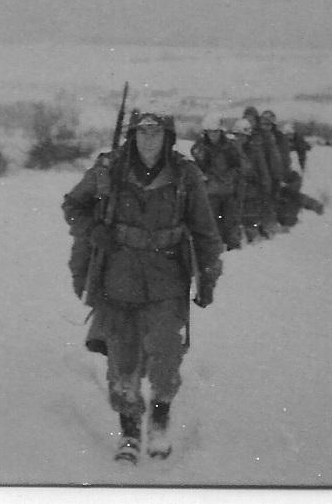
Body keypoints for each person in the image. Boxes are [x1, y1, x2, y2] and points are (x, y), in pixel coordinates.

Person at [62, 110, 224, 464]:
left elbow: (206, 231)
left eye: (156, 131)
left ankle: (160, 421)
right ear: (133, 134)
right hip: (117, 279)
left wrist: (209, 276)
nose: (149, 138)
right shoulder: (110, 170)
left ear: (168, 136)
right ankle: (130, 433)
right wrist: (94, 231)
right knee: (123, 360)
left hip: (168, 279)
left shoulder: (185, 176)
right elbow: (73, 205)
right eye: (142, 131)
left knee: (166, 354)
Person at [191, 113, 244, 251]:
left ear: (221, 131)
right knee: (212, 223)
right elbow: (195, 166)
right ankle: (215, 250)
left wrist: (230, 176)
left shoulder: (230, 147)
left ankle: (235, 251)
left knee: (231, 223)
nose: (213, 135)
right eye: (210, 132)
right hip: (210, 192)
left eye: (215, 131)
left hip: (228, 191)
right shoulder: (200, 147)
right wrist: (203, 175)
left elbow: (238, 167)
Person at [231, 116, 274, 241]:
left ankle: (255, 244)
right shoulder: (229, 150)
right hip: (234, 192)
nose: (240, 139)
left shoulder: (255, 151)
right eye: (237, 135)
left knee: (251, 222)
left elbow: (263, 173)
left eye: (243, 136)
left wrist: (265, 190)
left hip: (251, 192)